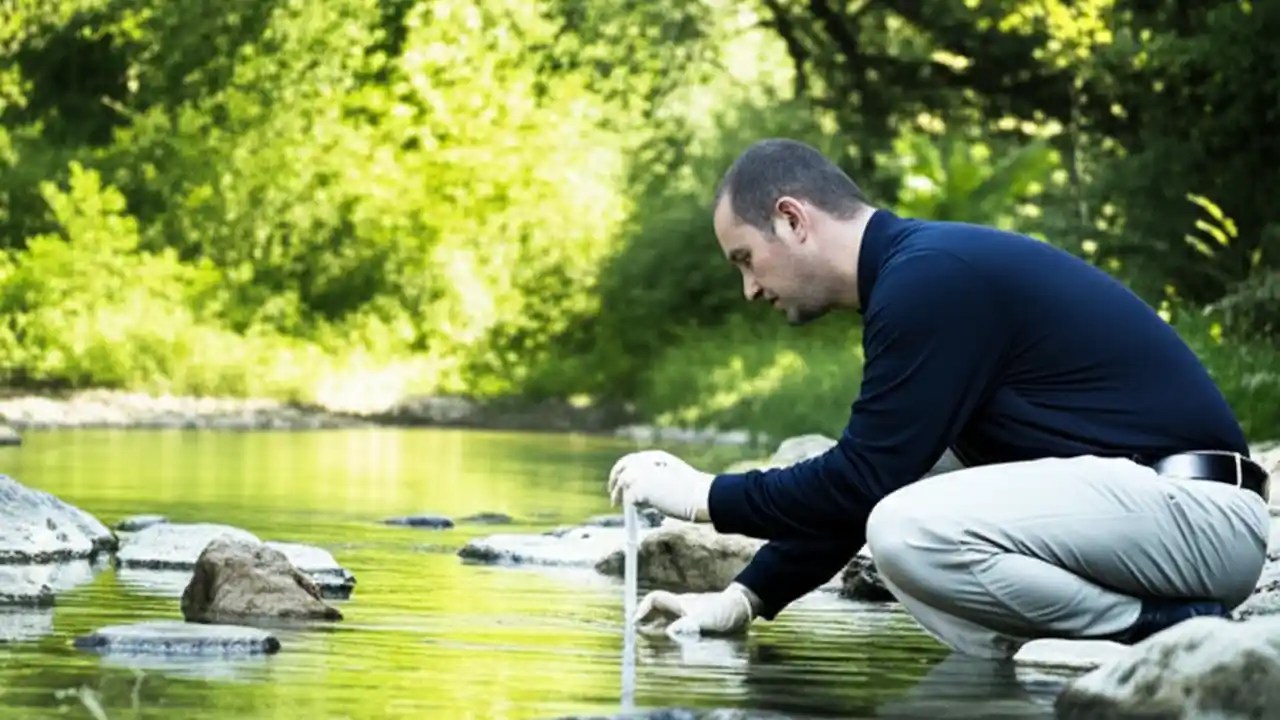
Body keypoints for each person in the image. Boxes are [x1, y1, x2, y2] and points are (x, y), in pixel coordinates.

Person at [606, 138, 1272, 659]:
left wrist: (703, 496)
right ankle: (1047, 674)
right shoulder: (921, 278)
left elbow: (864, 480)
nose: (750, 289)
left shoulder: (928, 281)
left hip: (1199, 518)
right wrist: (744, 599)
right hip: (1154, 523)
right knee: (914, 529)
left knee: (906, 531)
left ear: (790, 219)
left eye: (745, 259)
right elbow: (877, 475)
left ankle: (1164, 629)